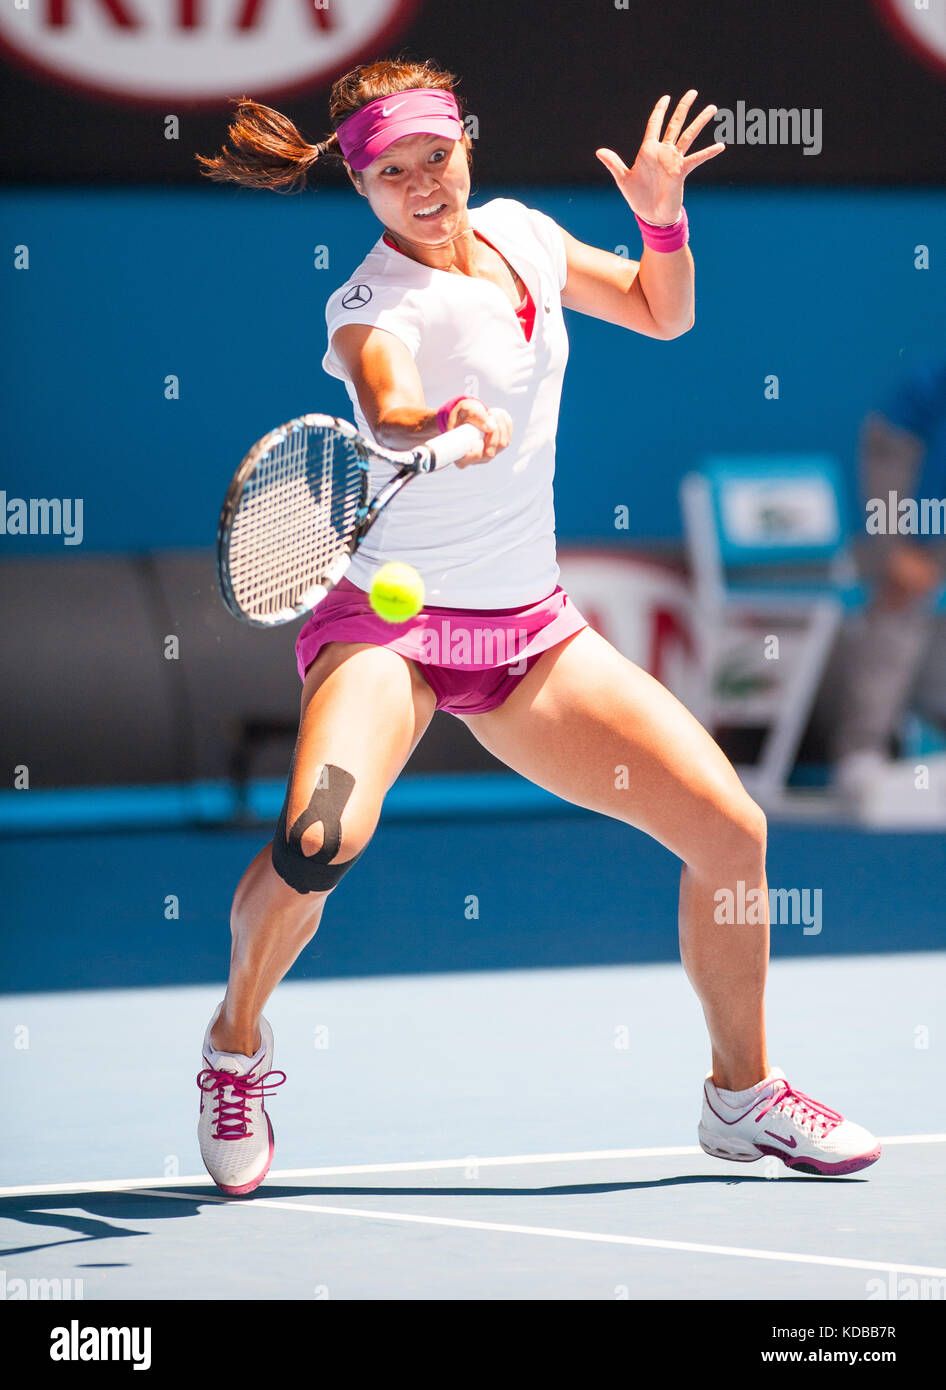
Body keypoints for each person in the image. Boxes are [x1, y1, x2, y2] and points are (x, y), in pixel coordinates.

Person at [194, 57, 880, 1195]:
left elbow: (663, 313)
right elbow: (387, 398)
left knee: (732, 834)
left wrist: (662, 223)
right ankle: (234, 1046)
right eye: (392, 172)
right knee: (318, 839)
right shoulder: (369, 305)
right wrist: (436, 421)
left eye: (436, 156)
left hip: (527, 638)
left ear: (466, 140)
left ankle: (741, 1096)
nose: (423, 184)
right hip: (391, 636)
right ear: (360, 184)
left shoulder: (526, 237)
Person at [832, 355, 946, 803]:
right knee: (902, 600)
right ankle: (860, 752)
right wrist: (895, 546)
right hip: (915, 518)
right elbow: (890, 452)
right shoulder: (921, 402)